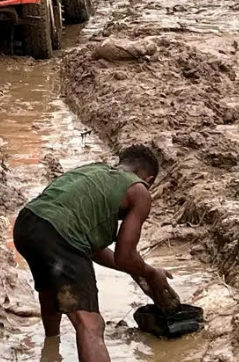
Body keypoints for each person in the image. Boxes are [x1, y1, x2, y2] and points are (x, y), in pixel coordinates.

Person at [13, 146, 176, 362]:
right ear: (149, 179)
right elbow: (125, 256)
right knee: (90, 324)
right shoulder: (139, 191)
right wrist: (151, 273)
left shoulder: (93, 171)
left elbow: (92, 249)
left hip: (27, 225)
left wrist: (138, 272)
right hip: (60, 235)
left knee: (51, 294)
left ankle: (50, 351)